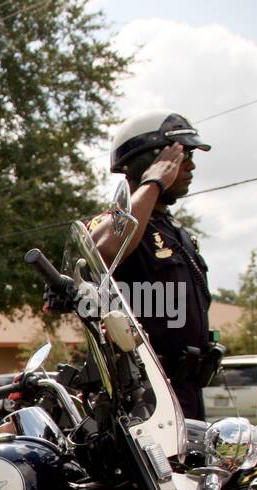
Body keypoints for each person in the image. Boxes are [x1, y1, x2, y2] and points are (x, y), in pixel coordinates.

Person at [89, 110, 214, 419]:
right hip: (145, 394)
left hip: (188, 390)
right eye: (181, 156)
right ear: (149, 161)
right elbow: (103, 250)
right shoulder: (114, 222)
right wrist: (154, 181)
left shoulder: (175, 233)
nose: (191, 166)